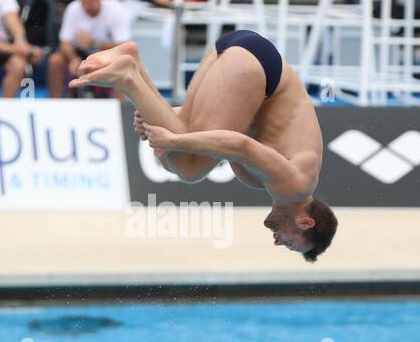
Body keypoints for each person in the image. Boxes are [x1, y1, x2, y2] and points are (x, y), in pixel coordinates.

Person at [71, 31, 337, 261]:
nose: (278, 242)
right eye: (290, 242)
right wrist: (171, 140)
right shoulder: (296, 186)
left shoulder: (265, 181)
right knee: (190, 168)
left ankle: (133, 64)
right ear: (306, 222)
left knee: (182, 155)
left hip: (247, 55)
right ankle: (129, 77)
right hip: (256, 68)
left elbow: (222, 130)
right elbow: (240, 145)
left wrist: (163, 130)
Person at [46, 0, 129, 97]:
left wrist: (95, 42)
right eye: (82, 1)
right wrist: (73, 58)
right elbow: (64, 42)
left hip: (106, 54)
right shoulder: (73, 8)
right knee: (55, 61)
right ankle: (55, 103)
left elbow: (124, 46)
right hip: (79, 54)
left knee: (123, 62)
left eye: (89, 1)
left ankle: (119, 107)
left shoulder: (116, 10)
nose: (85, 6)